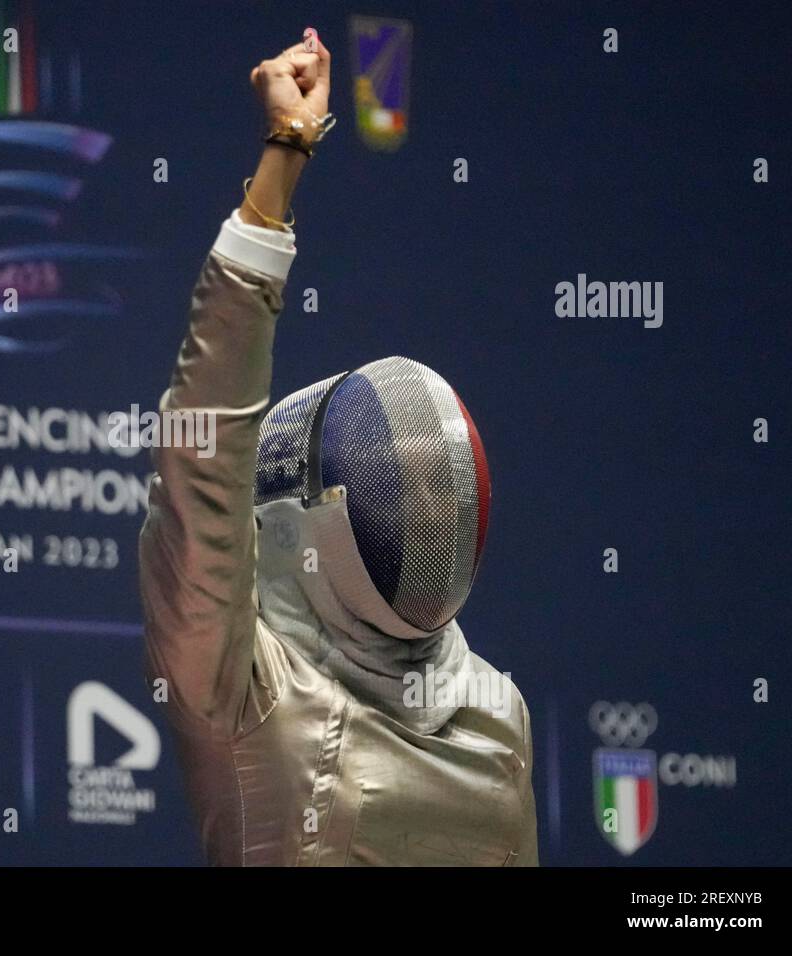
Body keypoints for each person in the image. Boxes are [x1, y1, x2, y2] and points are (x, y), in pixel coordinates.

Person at [138, 31, 538, 866]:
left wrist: (284, 153)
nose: (427, 509)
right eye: (408, 488)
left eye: (436, 492)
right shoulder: (493, 711)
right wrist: (282, 159)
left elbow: (205, 470)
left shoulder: (488, 709)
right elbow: (207, 469)